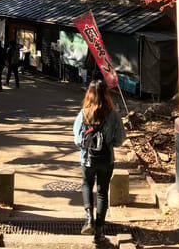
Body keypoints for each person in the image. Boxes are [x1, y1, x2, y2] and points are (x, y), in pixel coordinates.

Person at [73, 78, 126, 246]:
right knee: (102, 192)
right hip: (106, 158)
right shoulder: (112, 114)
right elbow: (120, 139)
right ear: (105, 94)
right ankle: (99, 231)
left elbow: (77, 139)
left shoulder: (84, 113)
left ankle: (89, 218)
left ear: (89, 94)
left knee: (87, 185)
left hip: (87, 158)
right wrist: (109, 144)